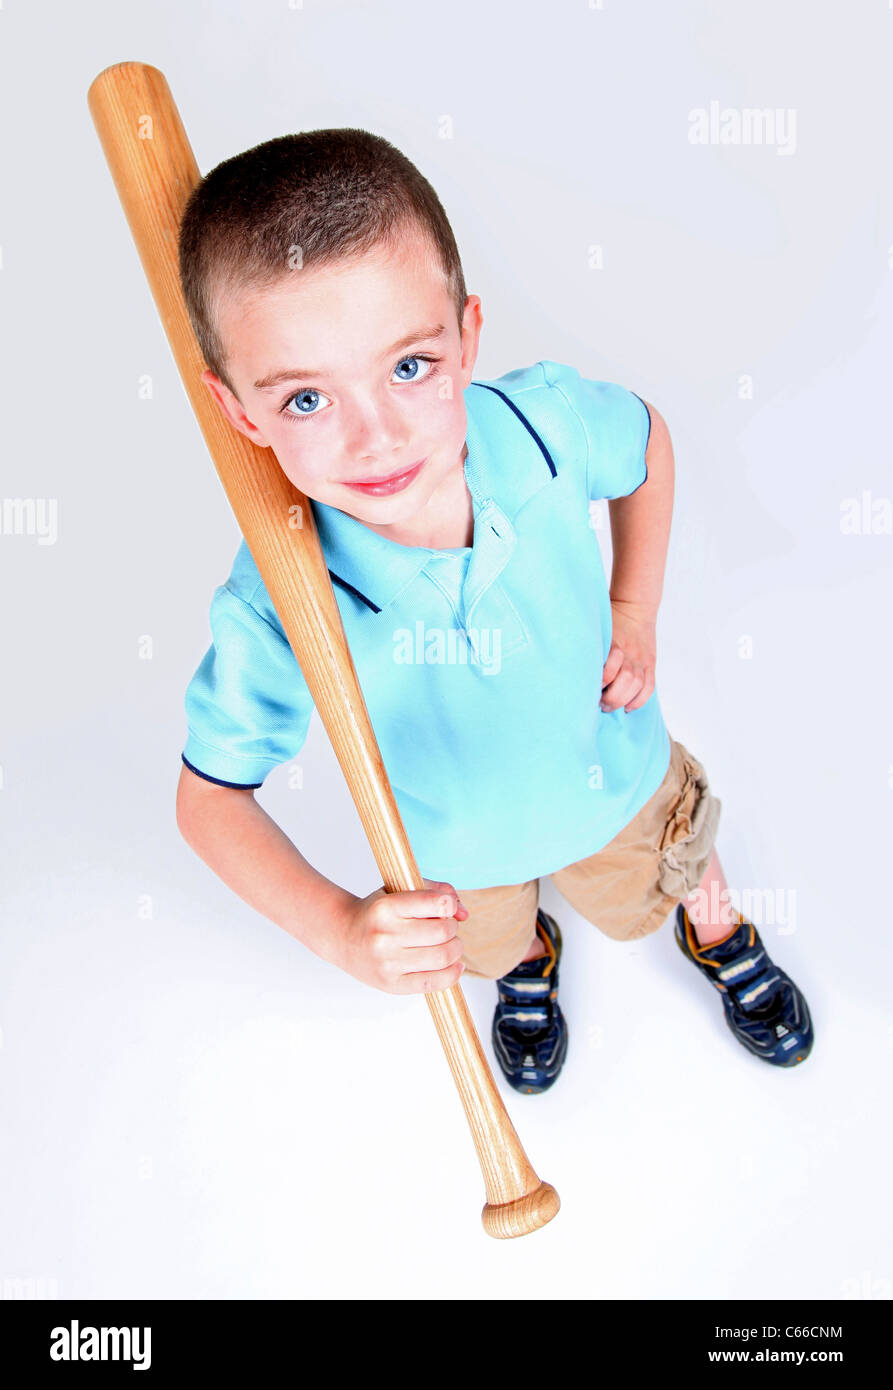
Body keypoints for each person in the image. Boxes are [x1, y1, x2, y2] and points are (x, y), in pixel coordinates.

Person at [175, 128, 813, 1096]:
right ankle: (529, 966)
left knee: (679, 865)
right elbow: (210, 801)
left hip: (616, 779)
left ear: (466, 336)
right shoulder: (276, 599)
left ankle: (720, 934)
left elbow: (644, 444)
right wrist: (341, 930)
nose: (375, 435)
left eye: (408, 367)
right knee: (499, 937)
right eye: (305, 398)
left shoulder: (541, 426)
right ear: (238, 413)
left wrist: (632, 609)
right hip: (454, 854)